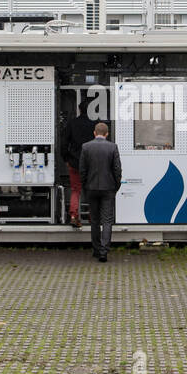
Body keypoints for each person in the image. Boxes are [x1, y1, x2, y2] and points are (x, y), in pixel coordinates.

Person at [78, 121, 122, 262]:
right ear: (107, 134)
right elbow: (117, 169)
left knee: (95, 220)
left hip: (91, 188)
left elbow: (82, 170)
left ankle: (96, 250)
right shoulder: (113, 147)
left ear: (94, 133)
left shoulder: (86, 147)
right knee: (107, 220)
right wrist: (116, 185)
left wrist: (85, 185)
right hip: (108, 188)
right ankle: (104, 251)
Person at [63, 98, 96, 228]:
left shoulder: (72, 124)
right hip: (91, 163)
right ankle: (92, 216)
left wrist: (66, 159)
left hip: (75, 162)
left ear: (79, 109)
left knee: (76, 190)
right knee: (91, 190)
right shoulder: (94, 124)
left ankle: (74, 216)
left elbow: (64, 143)